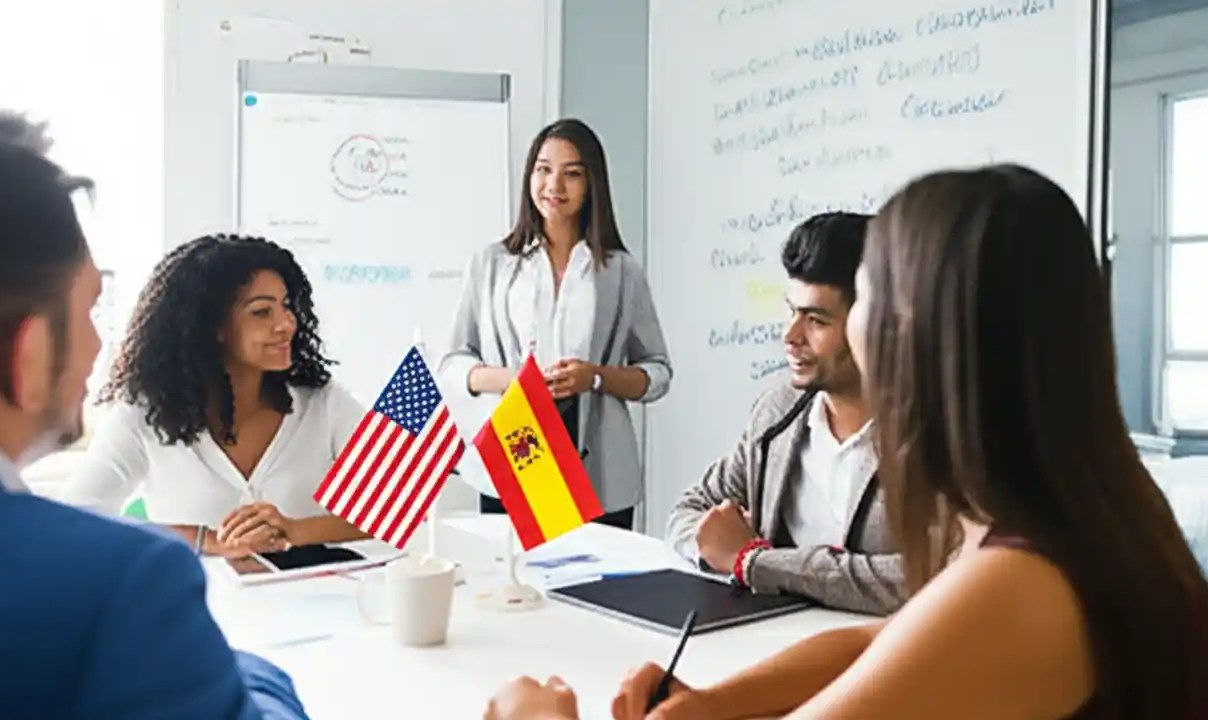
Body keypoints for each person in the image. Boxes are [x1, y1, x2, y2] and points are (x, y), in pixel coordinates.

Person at [489, 165, 1208, 719]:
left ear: (917, 334)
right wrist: (713, 703)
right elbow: (884, 645)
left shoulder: (1021, 587)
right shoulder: (1071, 517)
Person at [0, 97, 307, 717]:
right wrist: (240, 670)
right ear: (24, 353)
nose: (99, 341)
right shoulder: (120, 587)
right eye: (87, 311)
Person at [62, 234, 370, 556]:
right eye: (262, 312)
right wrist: (204, 540)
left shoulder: (322, 401)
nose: (286, 325)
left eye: (287, 306)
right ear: (211, 326)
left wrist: (294, 530)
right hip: (193, 603)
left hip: (315, 603)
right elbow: (75, 518)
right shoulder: (142, 414)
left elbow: (398, 504)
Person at [667, 212, 905, 615]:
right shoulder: (777, 414)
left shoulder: (933, 435)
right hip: (774, 650)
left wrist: (754, 561)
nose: (790, 336)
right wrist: (720, 547)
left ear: (874, 323)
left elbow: (926, 578)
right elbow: (689, 511)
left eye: (816, 320)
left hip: (888, 665)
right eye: (791, 311)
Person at [441, 119, 672, 530]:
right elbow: (453, 364)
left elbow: (657, 374)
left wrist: (596, 377)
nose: (555, 186)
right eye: (543, 169)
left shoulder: (621, 271)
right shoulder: (491, 264)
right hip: (516, 452)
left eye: (572, 174)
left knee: (593, 590)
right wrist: (512, 380)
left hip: (598, 470)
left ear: (592, 184)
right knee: (512, 588)